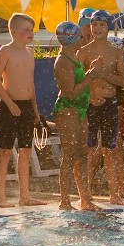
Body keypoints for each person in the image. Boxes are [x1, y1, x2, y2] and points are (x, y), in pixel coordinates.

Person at [0, 13, 47, 208]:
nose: (30, 33)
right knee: (5, 150)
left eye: (32, 30)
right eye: (26, 29)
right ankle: (1, 197)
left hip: (27, 106)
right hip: (10, 105)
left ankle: (25, 196)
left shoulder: (29, 53)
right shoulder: (5, 51)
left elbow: (31, 84)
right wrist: (9, 104)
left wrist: (35, 110)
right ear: (13, 32)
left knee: (25, 150)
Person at [81, 9, 124, 205]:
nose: (97, 28)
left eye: (102, 24)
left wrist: (103, 74)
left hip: (110, 104)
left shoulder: (116, 52)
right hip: (89, 105)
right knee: (89, 150)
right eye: (94, 24)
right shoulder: (83, 52)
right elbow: (76, 83)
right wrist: (91, 95)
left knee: (109, 150)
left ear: (108, 26)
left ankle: (114, 194)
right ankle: (86, 194)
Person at [50, 20, 97, 212]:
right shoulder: (63, 61)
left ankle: (85, 199)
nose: (83, 39)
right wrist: (91, 76)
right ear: (72, 39)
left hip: (80, 111)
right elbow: (70, 92)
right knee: (70, 156)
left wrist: (89, 72)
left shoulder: (73, 57)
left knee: (82, 155)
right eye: (80, 37)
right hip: (67, 111)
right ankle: (64, 201)